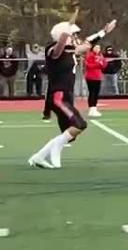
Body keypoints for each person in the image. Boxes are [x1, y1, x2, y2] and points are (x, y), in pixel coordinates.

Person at [28, 18, 117, 169]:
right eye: (73, 34)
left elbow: (87, 43)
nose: (75, 37)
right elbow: (58, 50)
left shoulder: (71, 50)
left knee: (69, 135)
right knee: (79, 124)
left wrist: (104, 31)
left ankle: (39, 157)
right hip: (59, 97)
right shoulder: (52, 50)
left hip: (67, 96)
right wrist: (64, 34)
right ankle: (52, 151)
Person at [84, 44, 106, 117]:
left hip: (98, 76)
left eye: (99, 47)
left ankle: (94, 108)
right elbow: (88, 65)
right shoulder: (90, 55)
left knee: (96, 93)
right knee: (92, 92)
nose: (97, 49)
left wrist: (102, 64)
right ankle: (91, 108)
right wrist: (97, 64)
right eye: (96, 47)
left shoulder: (101, 55)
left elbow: (104, 64)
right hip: (91, 77)